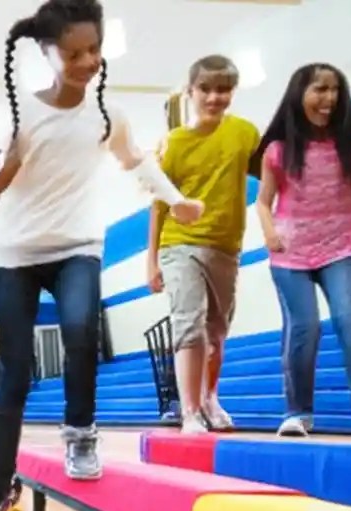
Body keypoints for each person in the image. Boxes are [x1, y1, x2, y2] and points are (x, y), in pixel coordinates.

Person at [0, 0, 204, 511]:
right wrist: (8, 163)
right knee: (15, 375)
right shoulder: (18, 110)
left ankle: (80, 433)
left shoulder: (105, 115)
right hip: (18, 250)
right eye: (73, 53)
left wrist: (176, 199)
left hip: (78, 244)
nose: (87, 62)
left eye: (94, 50)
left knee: (79, 331)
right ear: (47, 54)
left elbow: (136, 160)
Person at [254, 62, 351, 438]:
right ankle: (298, 412)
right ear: (299, 95)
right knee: (305, 327)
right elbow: (263, 202)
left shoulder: (346, 145)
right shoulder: (278, 150)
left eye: (335, 90)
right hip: (290, 254)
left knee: (349, 319)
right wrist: (269, 232)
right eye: (319, 89)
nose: (328, 98)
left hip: (339, 246)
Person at [146, 55, 260, 435]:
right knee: (189, 322)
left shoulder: (245, 133)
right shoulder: (174, 144)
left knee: (216, 332)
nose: (214, 97)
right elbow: (158, 205)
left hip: (225, 247)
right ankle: (190, 411)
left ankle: (210, 396)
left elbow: (275, 173)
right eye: (205, 89)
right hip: (180, 243)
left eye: (223, 90)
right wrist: (152, 262)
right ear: (190, 92)